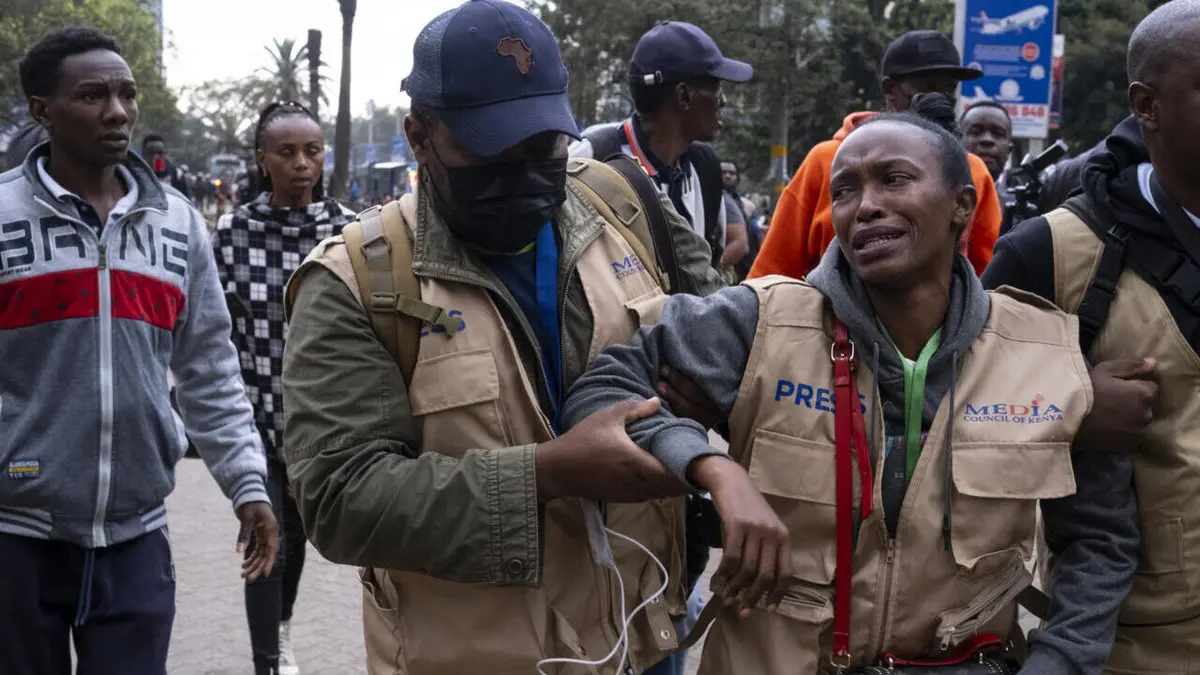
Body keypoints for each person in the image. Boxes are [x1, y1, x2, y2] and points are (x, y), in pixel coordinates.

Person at [564, 105, 1144, 674]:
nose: (865, 207)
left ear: (961, 206)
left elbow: (1101, 540)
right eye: (844, 191)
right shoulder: (760, 321)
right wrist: (716, 471)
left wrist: (1059, 661)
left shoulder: (1042, 350)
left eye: (894, 180)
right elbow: (603, 388)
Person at [280, 3, 769, 674]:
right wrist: (547, 473)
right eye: (489, 151)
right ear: (419, 137)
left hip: (647, 637)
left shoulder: (628, 204)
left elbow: (739, 339)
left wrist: (709, 423)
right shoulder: (358, 281)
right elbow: (339, 499)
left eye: (543, 147)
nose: (524, 171)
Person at [0, 27, 278, 675]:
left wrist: (246, 483)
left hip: (136, 536)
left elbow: (210, 369)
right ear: (43, 111)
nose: (118, 111)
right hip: (14, 536)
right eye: (93, 95)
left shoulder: (176, 224)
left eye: (126, 94)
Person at [982, 2, 1200, 669]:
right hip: (1134, 644)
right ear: (1148, 105)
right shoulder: (1050, 253)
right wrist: (1067, 407)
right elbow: (945, 420)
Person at [214, 101, 354, 675]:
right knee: (265, 534)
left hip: (324, 422)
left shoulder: (349, 231)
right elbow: (215, 336)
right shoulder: (229, 237)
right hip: (255, 419)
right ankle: (266, 662)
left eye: (313, 151)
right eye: (287, 152)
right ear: (262, 160)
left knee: (294, 537)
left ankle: (283, 629)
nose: (302, 163)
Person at [749, 29, 1002, 279]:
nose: (938, 100)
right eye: (925, 87)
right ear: (889, 89)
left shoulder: (971, 170)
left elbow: (988, 278)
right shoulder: (825, 161)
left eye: (948, 88)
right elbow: (771, 275)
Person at [571, 21, 751, 272]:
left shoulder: (706, 168)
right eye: (716, 88)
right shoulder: (592, 159)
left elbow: (712, 262)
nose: (723, 101)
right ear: (684, 96)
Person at [961, 100, 1012, 184]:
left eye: (998, 134)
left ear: (1009, 150)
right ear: (957, 142)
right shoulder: (938, 193)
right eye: (975, 132)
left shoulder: (1024, 196)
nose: (987, 139)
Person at [141, 132, 192, 198]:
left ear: (164, 153)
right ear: (143, 153)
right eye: (151, 152)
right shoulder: (134, 173)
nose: (155, 157)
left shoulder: (176, 174)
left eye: (159, 152)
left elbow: (185, 200)